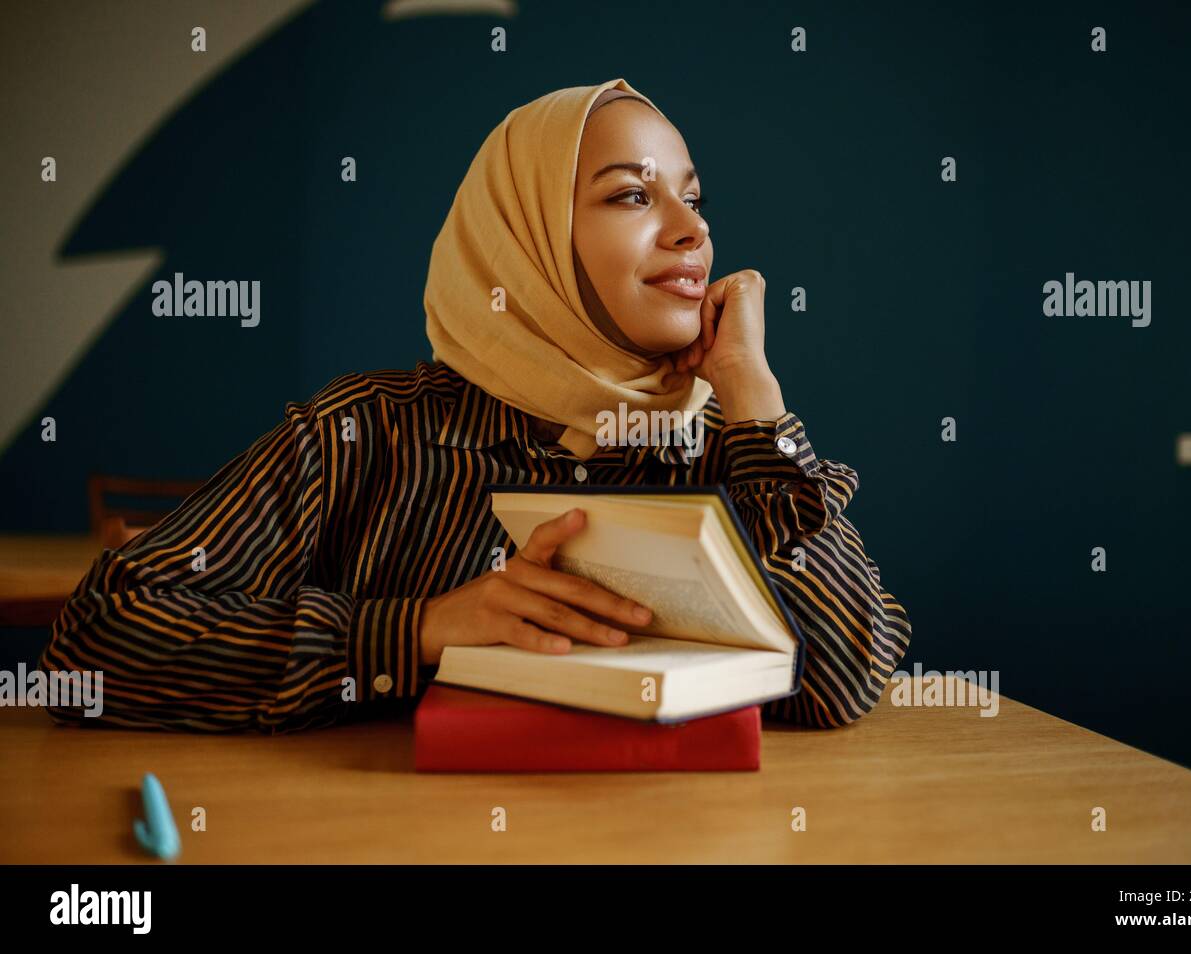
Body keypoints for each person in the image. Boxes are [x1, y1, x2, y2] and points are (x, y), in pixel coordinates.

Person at [39, 78, 911, 733]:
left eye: (693, 196)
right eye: (632, 195)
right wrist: (415, 631)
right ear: (522, 238)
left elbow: (843, 680)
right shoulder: (363, 435)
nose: (692, 232)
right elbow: (95, 646)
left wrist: (758, 405)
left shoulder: (732, 447)